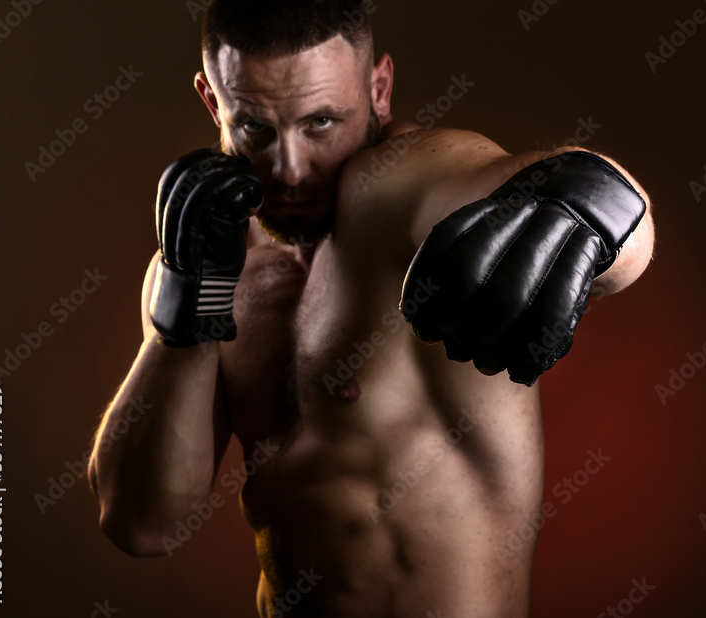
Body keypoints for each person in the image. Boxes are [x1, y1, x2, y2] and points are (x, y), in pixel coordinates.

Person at [87, 1, 655, 616]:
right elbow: (141, 523)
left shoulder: (402, 187)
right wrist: (184, 307)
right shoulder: (208, 261)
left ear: (379, 90)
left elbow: (570, 205)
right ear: (211, 100)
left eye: (321, 122)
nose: (290, 169)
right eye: (254, 128)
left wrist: (588, 200)